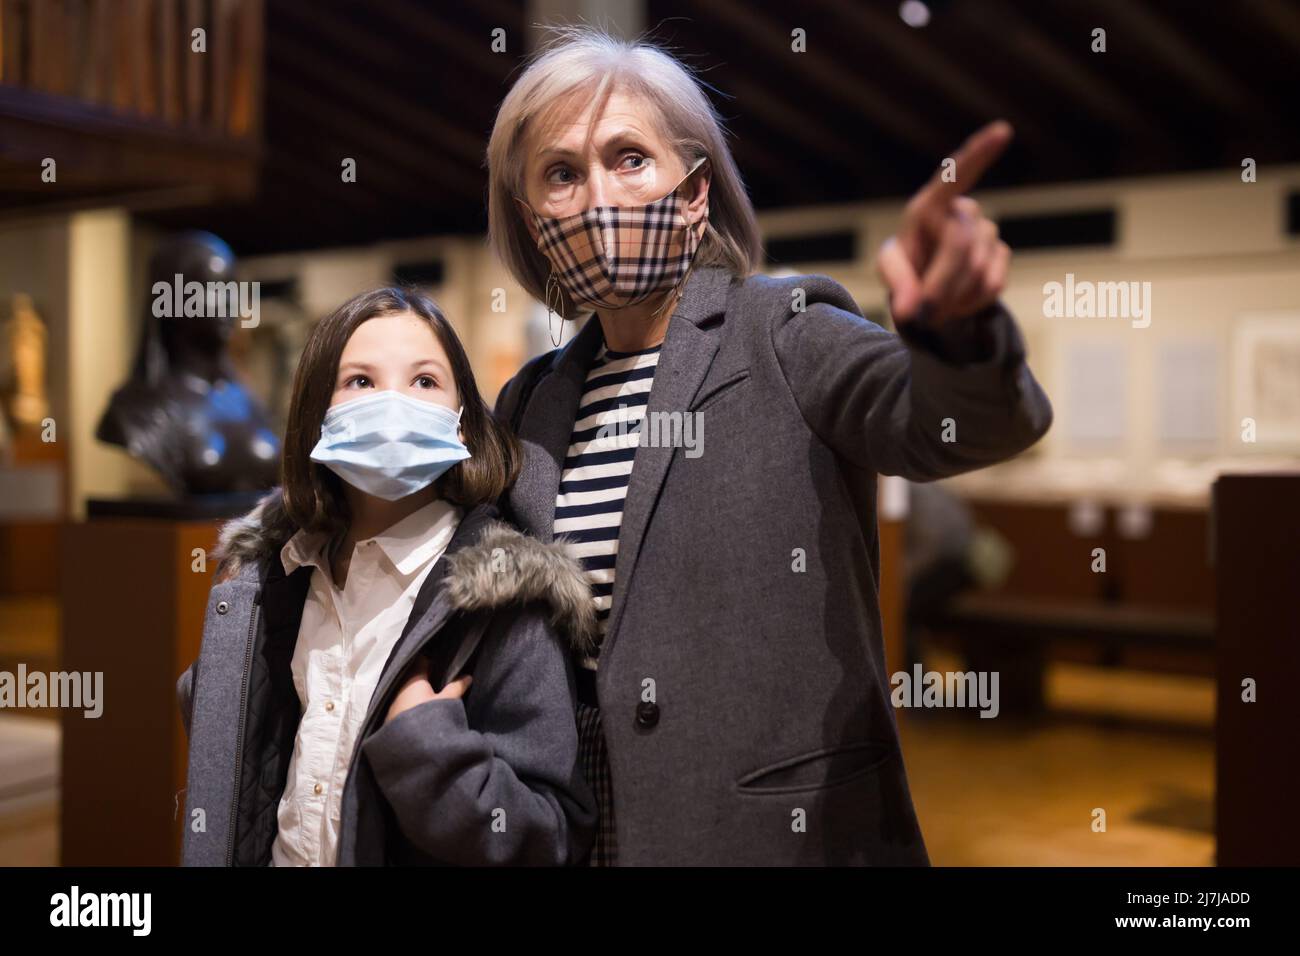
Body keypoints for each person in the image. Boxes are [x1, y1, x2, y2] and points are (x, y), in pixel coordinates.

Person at [486, 27, 1054, 865]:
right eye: (563, 173)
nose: (598, 194)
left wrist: (956, 335)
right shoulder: (533, 401)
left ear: (694, 192)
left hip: (775, 833)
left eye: (630, 158)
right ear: (535, 222)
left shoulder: (785, 335)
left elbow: (959, 424)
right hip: (589, 832)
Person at [176, 287, 597, 866]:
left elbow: (546, 837)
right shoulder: (281, 574)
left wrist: (427, 745)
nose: (393, 403)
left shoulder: (504, 600)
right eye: (360, 382)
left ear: (463, 421)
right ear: (317, 413)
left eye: (425, 381)